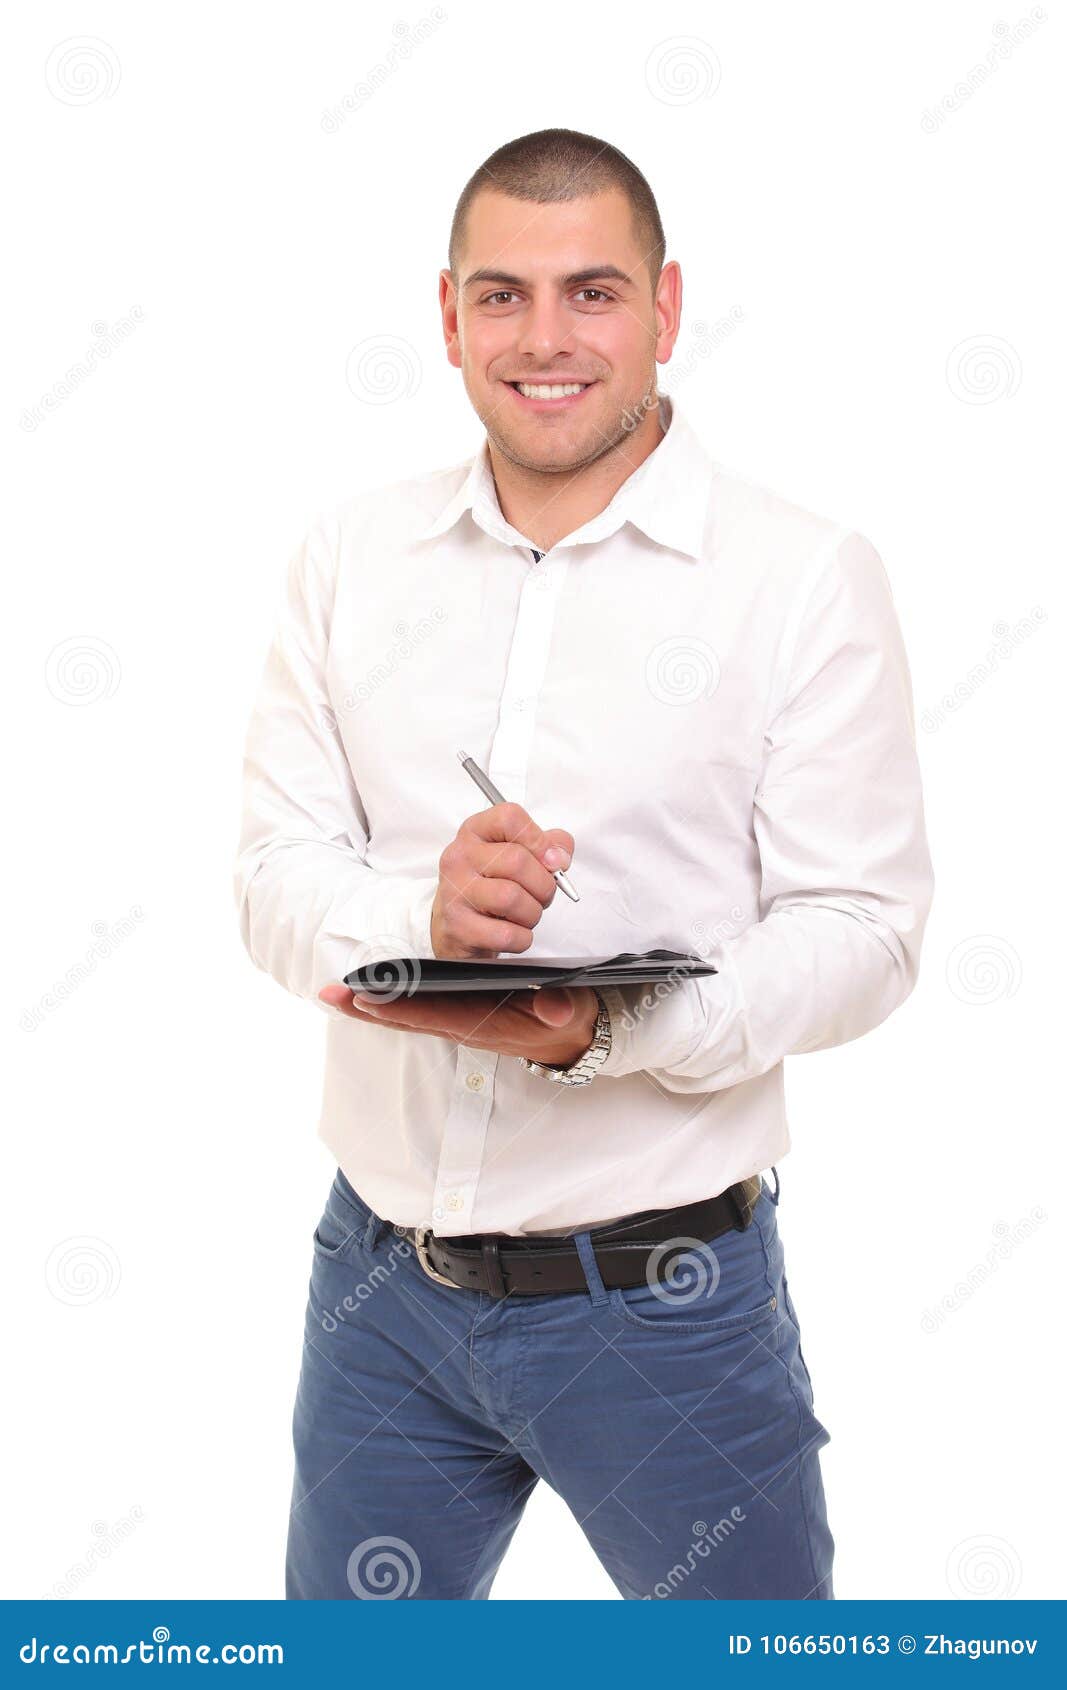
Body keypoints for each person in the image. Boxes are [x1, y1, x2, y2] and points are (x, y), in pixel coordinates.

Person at [233, 127, 934, 1601]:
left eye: (592, 292)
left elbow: (866, 929)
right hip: (379, 1297)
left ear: (666, 308)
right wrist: (423, 913)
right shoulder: (347, 556)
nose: (544, 339)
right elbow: (274, 877)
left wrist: (607, 1029)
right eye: (502, 295)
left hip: (667, 1303)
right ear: (449, 318)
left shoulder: (801, 576)